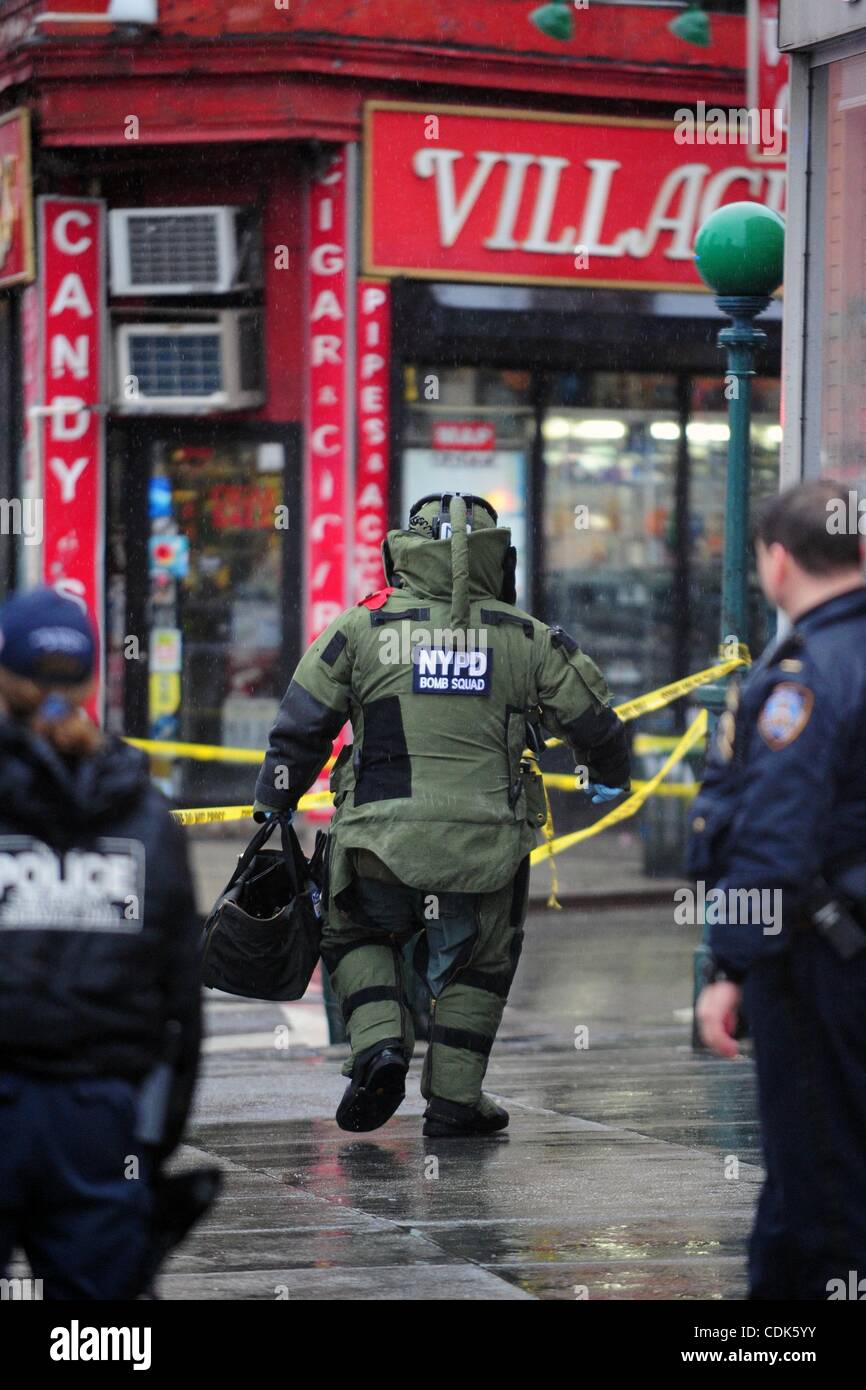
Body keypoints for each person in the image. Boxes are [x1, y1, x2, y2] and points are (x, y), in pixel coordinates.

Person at [254, 492, 630, 1137]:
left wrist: (273, 804)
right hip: (488, 846)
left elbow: (301, 729)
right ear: (496, 557)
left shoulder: (360, 629)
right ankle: (455, 1100)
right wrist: (610, 775)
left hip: (377, 836)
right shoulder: (528, 638)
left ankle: (379, 1047)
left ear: (403, 550)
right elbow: (597, 724)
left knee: (357, 936)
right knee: (480, 962)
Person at [690, 480, 866, 1301]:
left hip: (818, 961)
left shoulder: (803, 674)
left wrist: (727, 967)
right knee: (805, 1180)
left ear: (778, 560)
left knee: (822, 1182)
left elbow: (772, 838)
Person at [0, 587, 202, 1299]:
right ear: (91, 683)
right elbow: (182, 1002)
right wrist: (150, 1147)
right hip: (99, 1120)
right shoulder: (144, 817)